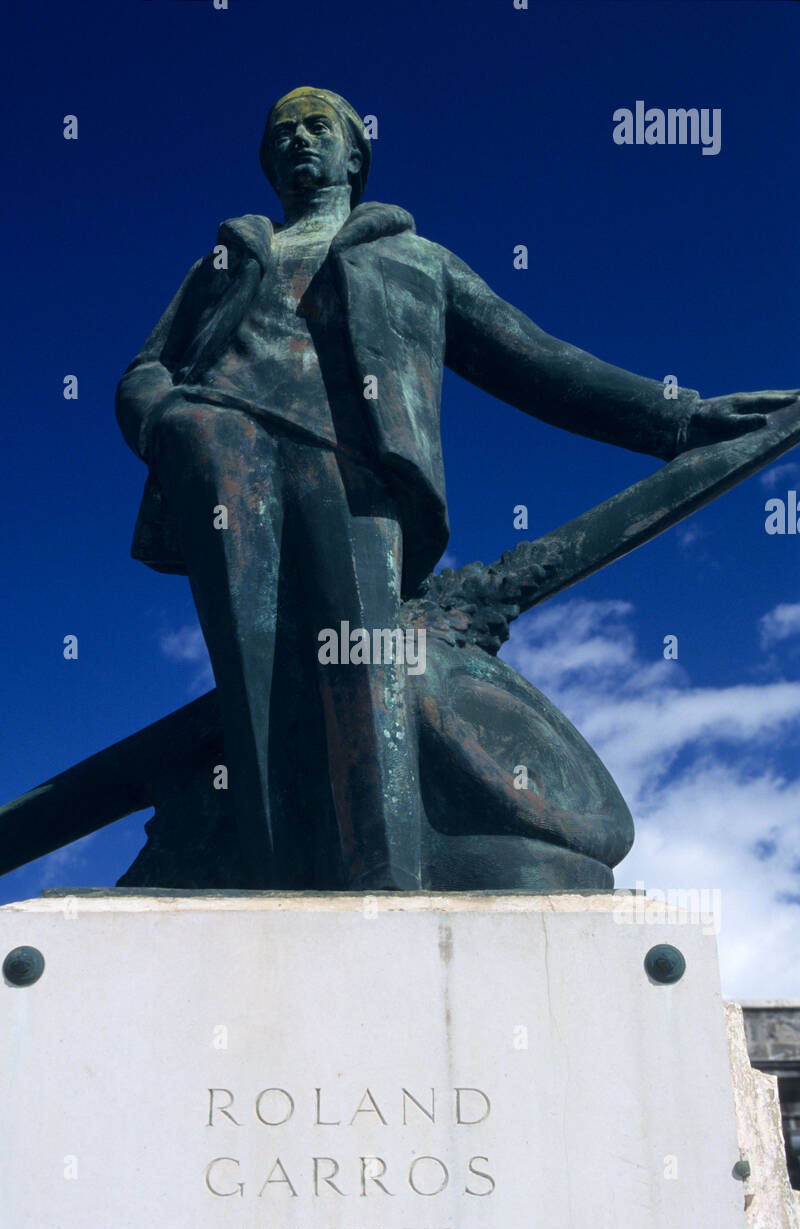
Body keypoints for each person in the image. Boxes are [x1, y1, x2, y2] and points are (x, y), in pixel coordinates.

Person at [116, 86, 794, 891]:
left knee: (361, 666)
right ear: (267, 163)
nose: (299, 141)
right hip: (225, 449)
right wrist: (166, 418)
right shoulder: (227, 259)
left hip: (355, 466)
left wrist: (682, 418)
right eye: (283, 133)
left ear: (354, 153)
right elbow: (146, 366)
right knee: (252, 671)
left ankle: (384, 879)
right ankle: (276, 872)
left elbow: (538, 360)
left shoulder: (414, 258)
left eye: (317, 127)